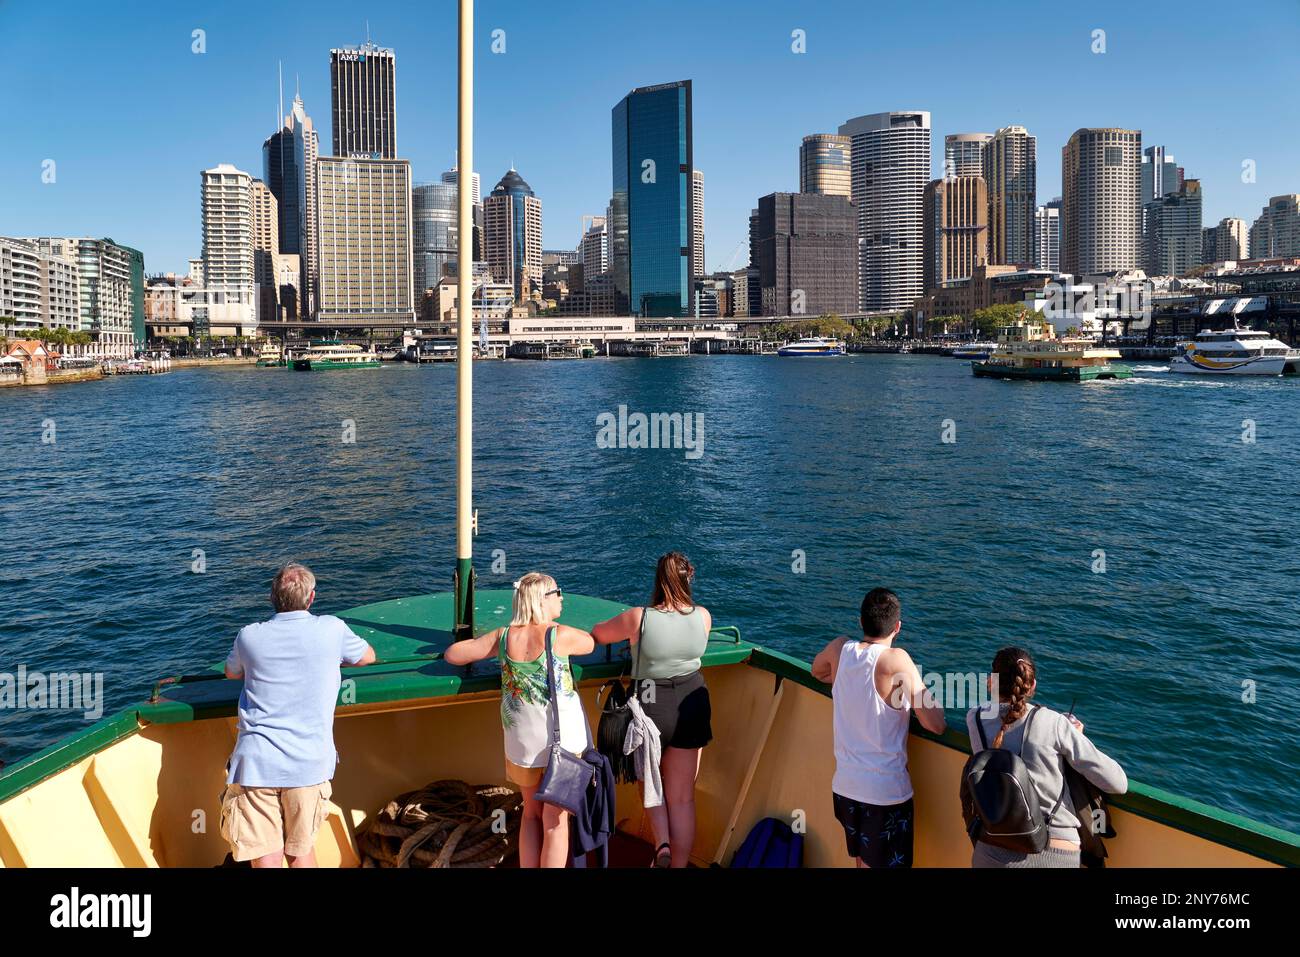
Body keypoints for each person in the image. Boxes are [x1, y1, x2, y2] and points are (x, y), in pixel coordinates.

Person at [221, 562, 376, 868]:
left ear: (272, 598)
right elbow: (367, 657)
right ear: (311, 598)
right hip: (308, 763)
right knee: (300, 852)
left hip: (256, 763)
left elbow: (231, 673)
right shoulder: (332, 628)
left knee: (266, 856)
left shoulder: (249, 636)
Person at [443, 572, 595, 868]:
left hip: (523, 745)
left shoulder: (503, 637)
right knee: (556, 821)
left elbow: (454, 654)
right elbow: (590, 643)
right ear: (542, 600)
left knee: (530, 814)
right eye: (557, 592)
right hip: (561, 745)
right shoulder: (559, 635)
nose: (562, 598)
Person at [592, 552, 712, 868]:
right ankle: (680, 864)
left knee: (651, 781)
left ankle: (662, 846)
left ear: (658, 579)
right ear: (690, 578)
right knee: (683, 798)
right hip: (692, 703)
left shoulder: (638, 618)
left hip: (651, 706)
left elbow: (598, 633)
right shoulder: (703, 616)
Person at [812, 588, 947, 868]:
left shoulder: (839, 649)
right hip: (885, 795)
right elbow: (935, 724)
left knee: (862, 862)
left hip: (846, 788)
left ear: (860, 622)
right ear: (897, 627)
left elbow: (817, 671)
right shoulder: (896, 660)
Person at [966, 647, 1128, 868]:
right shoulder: (1054, 724)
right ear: (1032, 686)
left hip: (993, 847)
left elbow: (1001, 720)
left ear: (989, 682)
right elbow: (1118, 783)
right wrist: (1074, 736)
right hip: (1056, 851)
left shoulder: (974, 719)